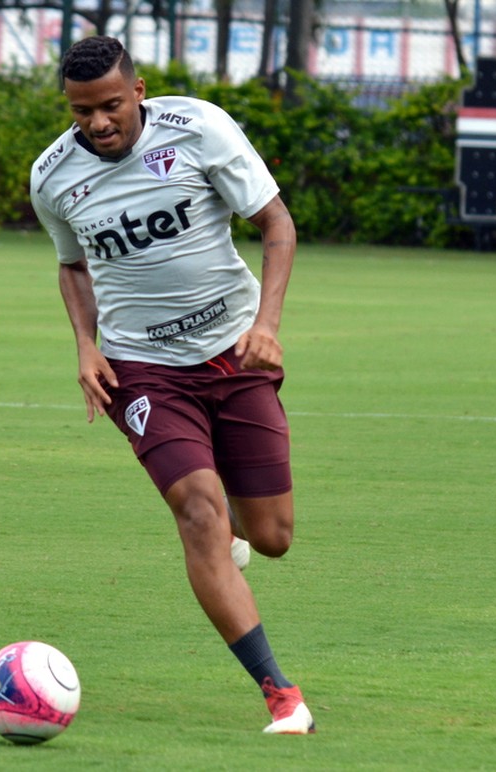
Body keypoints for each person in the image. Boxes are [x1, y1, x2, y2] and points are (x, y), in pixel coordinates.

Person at [30, 35, 314, 735]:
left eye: (110, 106)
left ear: (139, 90)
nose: (97, 124)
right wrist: (86, 346)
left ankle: (235, 530)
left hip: (235, 352)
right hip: (143, 370)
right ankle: (282, 695)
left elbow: (275, 223)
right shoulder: (53, 177)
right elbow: (72, 266)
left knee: (272, 537)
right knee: (197, 512)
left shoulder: (202, 129)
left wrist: (268, 324)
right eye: (81, 112)